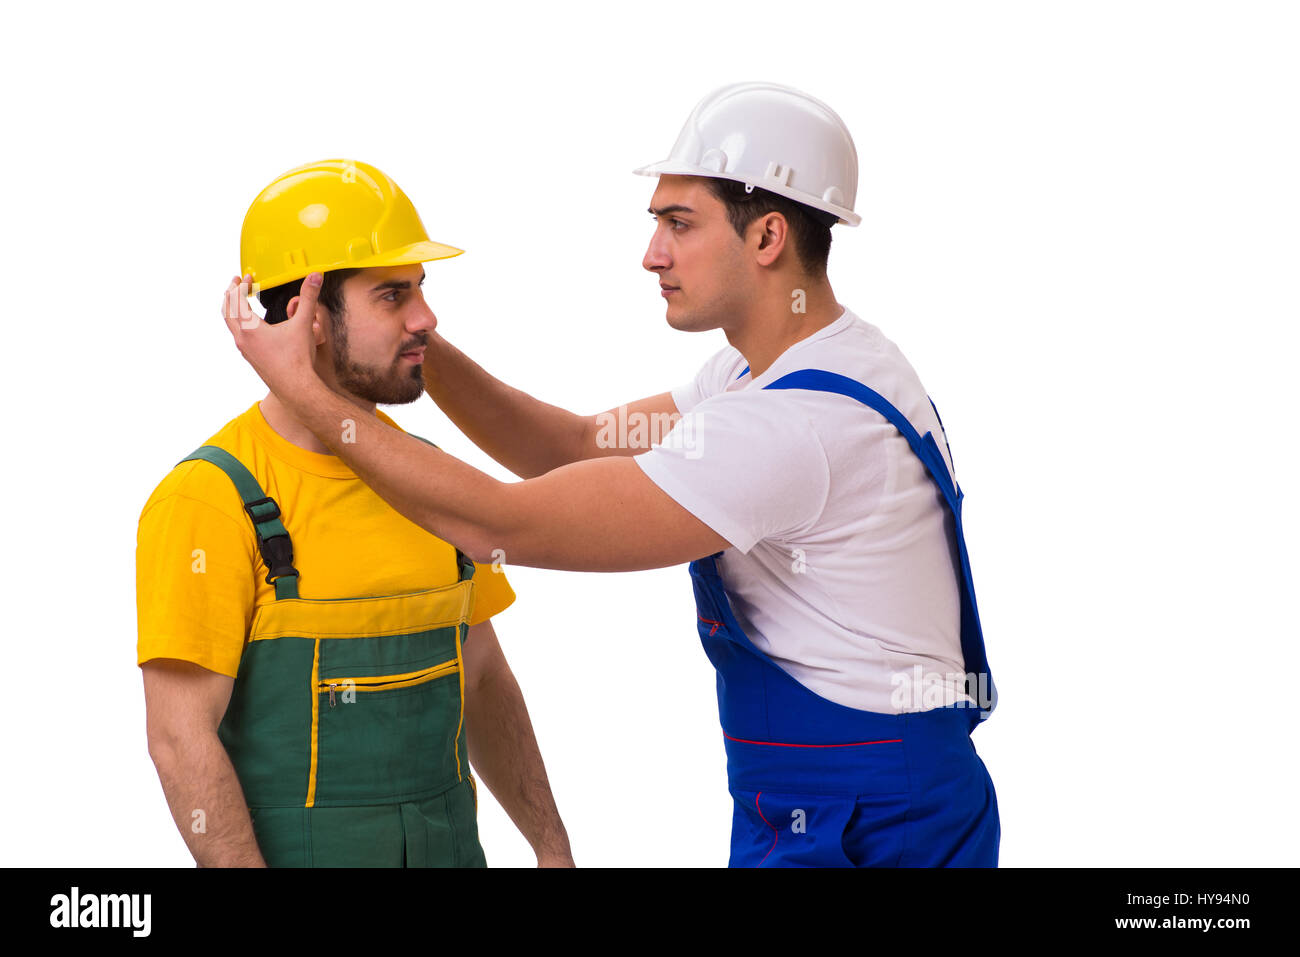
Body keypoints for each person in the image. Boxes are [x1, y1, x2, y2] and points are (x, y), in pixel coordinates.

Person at [223, 83, 1000, 867]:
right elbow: (575, 443)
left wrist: (308, 391)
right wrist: (405, 335)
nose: (651, 253)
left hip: (873, 821)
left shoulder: (791, 427)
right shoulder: (784, 367)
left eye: (678, 223)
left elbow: (500, 524)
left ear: (767, 237)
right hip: (852, 792)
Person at [139, 159, 572, 867]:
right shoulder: (212, 499)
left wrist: (552, 848)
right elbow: (180, 738)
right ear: (303, 318)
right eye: (392, 295)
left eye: (421, 291)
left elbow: (484, 673)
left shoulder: (429, 482)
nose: (426, 319)